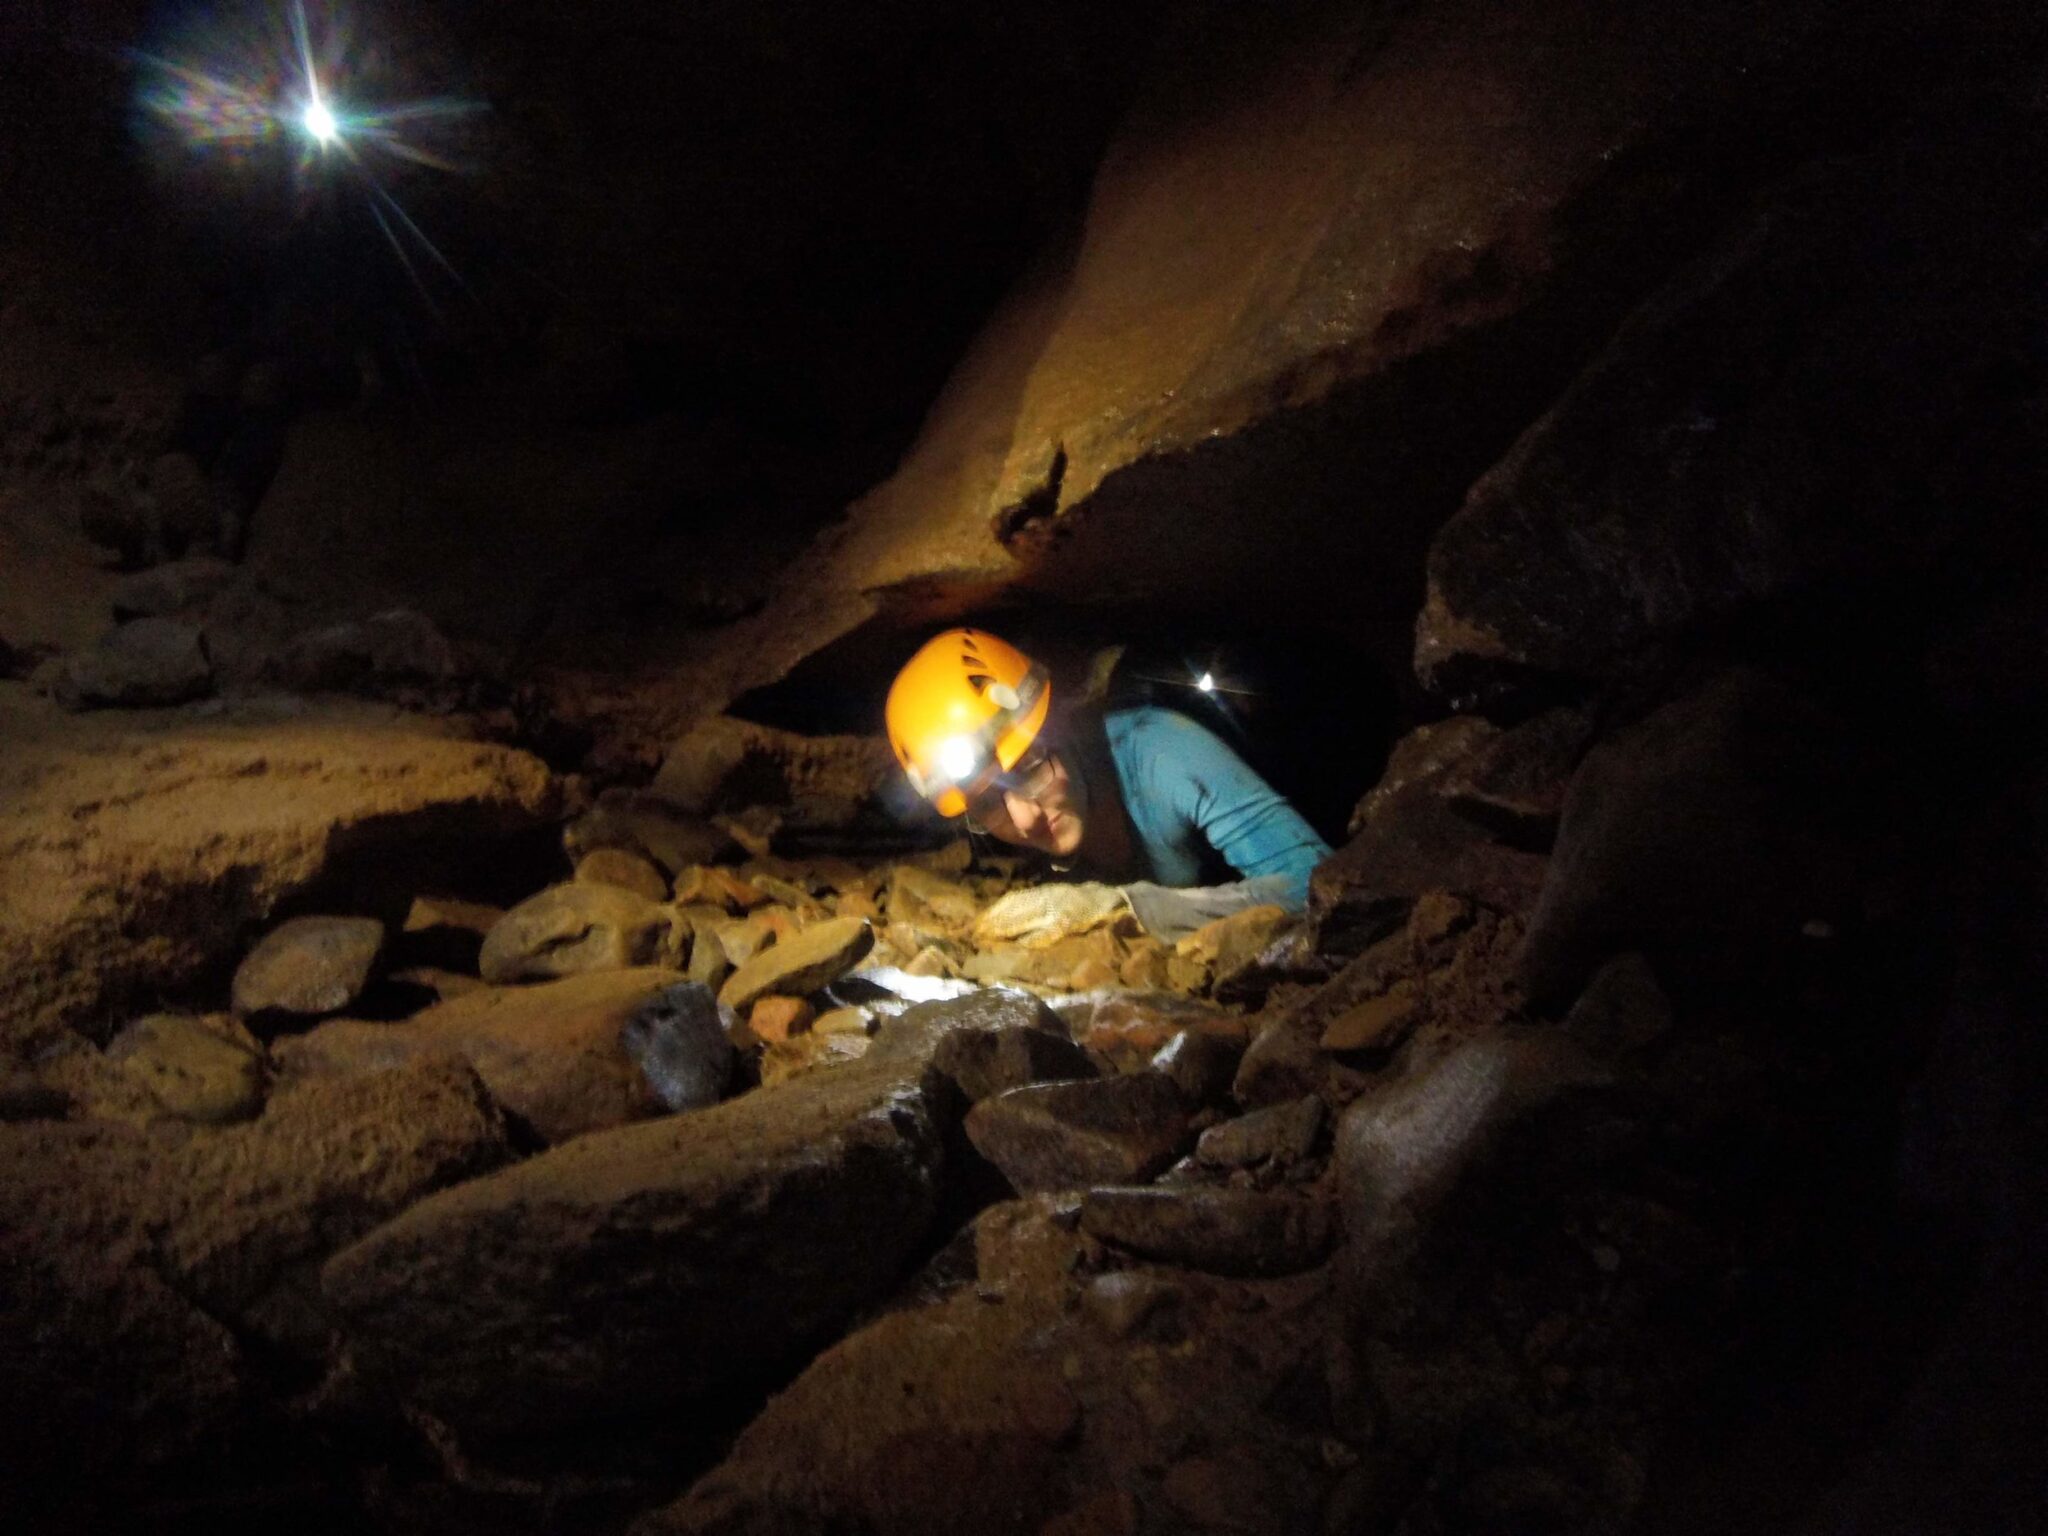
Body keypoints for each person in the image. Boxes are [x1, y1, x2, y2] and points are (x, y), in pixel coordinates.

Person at [885, 627, 1332, 943]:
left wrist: (1124, 907)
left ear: (1058, 727)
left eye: (1029, 770)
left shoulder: (1161, 750)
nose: (1025, 819)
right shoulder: (1039, 813)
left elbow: (1317, 882)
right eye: (987, 805)